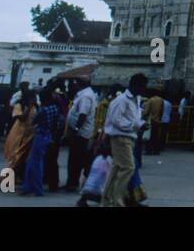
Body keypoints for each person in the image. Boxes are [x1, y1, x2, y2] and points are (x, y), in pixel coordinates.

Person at [101, 73, 147, 207]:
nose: (143, 89)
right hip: (121, 137)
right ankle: (118, 201)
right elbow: (116, 119)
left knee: (116, 169)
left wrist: (141, 124)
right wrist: (134, 125)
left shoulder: (135, 100)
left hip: (129, 137)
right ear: (134, 85)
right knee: (128, 168)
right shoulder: (121, 100)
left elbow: (134, 119)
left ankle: (107, 199)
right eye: (142, 86)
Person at [22, 88, 62, 196]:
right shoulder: (54, 108)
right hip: (48, 136)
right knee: (36, 161)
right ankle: (31, 187)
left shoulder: (43, 109)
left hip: (40, 135)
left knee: (34, 162)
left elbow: (33, 121)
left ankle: (34, 188)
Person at [64, 78, 97, 192]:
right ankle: (71, 182)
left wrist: (76, 128)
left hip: (81, 133)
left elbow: (83, 114)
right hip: (79, 132)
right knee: (74, 159)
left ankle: (73, 183)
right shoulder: (84, 94)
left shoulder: (85, 96)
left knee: (76, 160)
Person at [2, 89, 36, 187]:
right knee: (15, 158)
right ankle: (6, 180)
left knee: (23, 158)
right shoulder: (19, 106)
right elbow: (22, 118)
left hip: (28, 135)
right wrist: (29, 107)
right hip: (18, 134)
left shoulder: (34, 107)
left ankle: (18, 177)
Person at [76, 140, 112, 207]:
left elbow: (86, 173)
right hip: (100, 191)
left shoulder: (97, 158)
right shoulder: (109, 160)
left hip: (88, 189)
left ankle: (83, 200)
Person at [144, 88, 165, 155]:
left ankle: (149, 150)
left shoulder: (150, 100)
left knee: (149, 136)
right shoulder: (161, 100)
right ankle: (156, 150)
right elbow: (162, 111)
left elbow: (146, 112)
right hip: (158, 120)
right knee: (156, 136)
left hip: (151, 120)